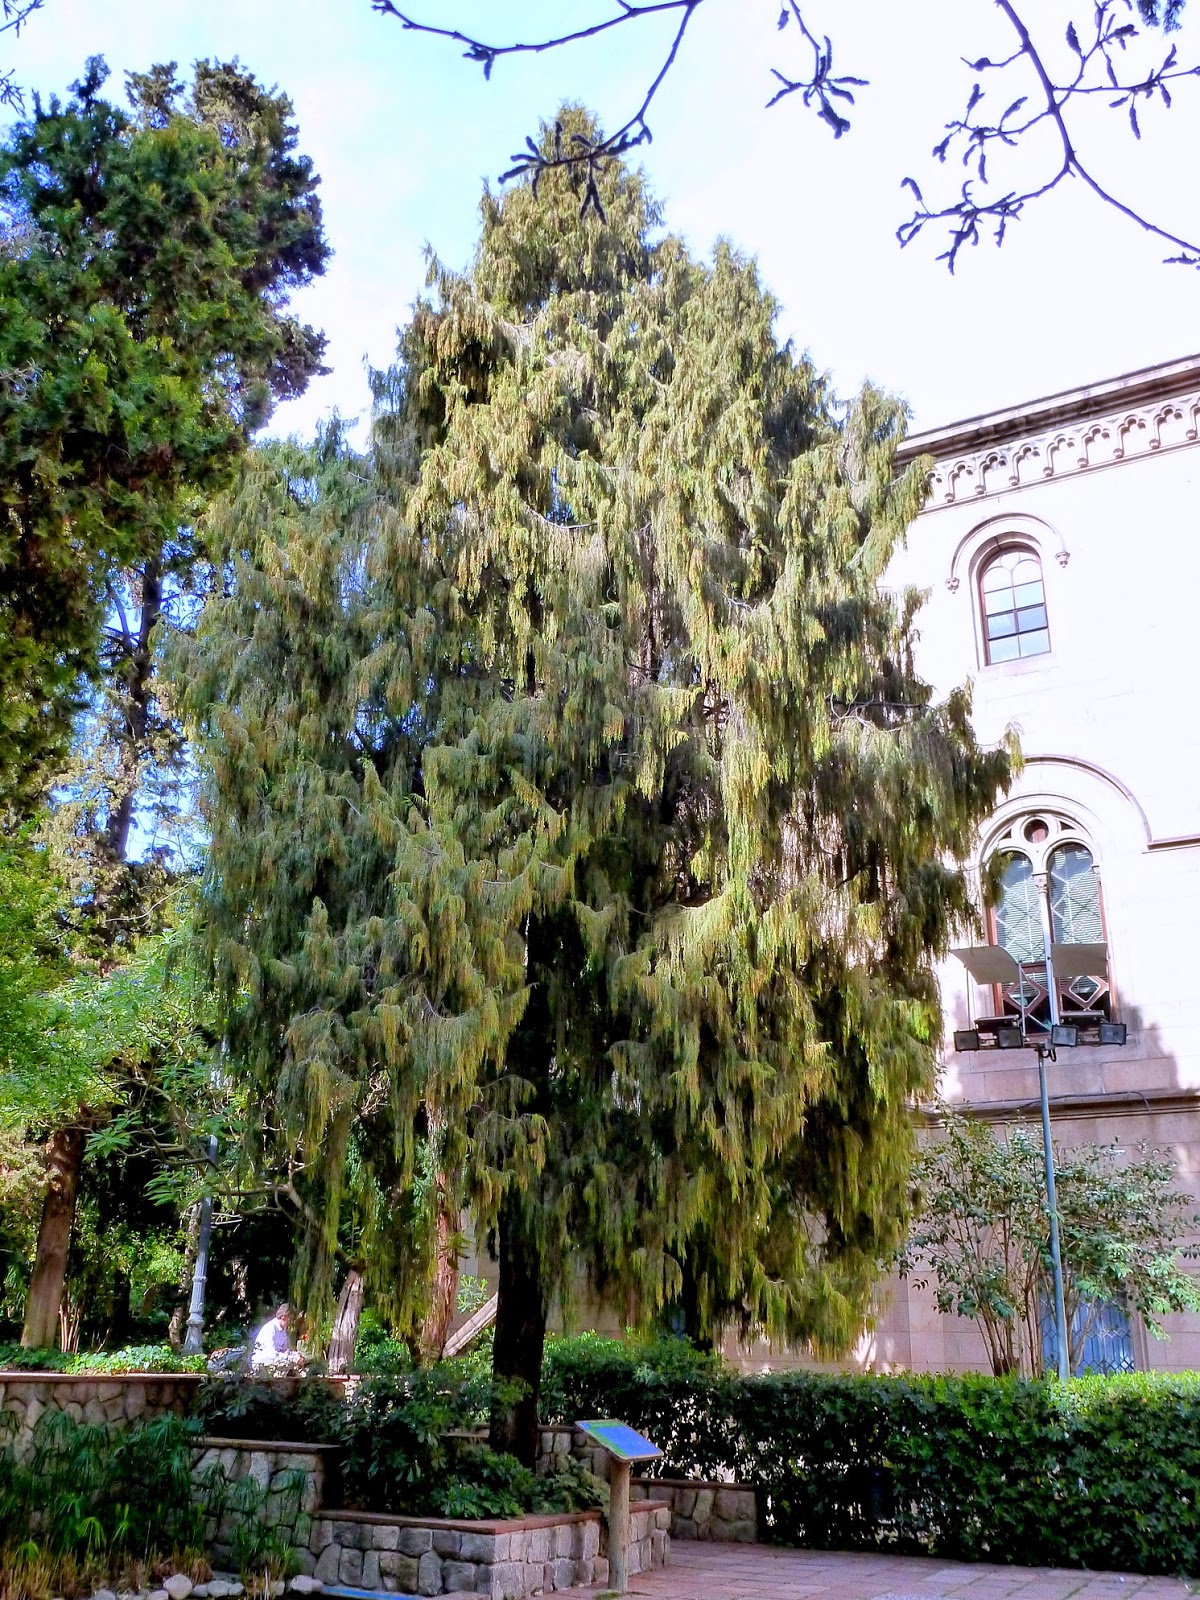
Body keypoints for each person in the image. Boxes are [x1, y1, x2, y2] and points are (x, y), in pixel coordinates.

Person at [251, 1302, 291, 1371]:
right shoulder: (270, 1329)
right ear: (283, 1318)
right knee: (290, 1362)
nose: (290, 1321)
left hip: (274, 1360)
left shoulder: (283, 1331)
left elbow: (285, 1349)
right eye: (290, 1319)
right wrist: (288, 1357)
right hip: (262, 1362)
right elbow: (271, 1354)